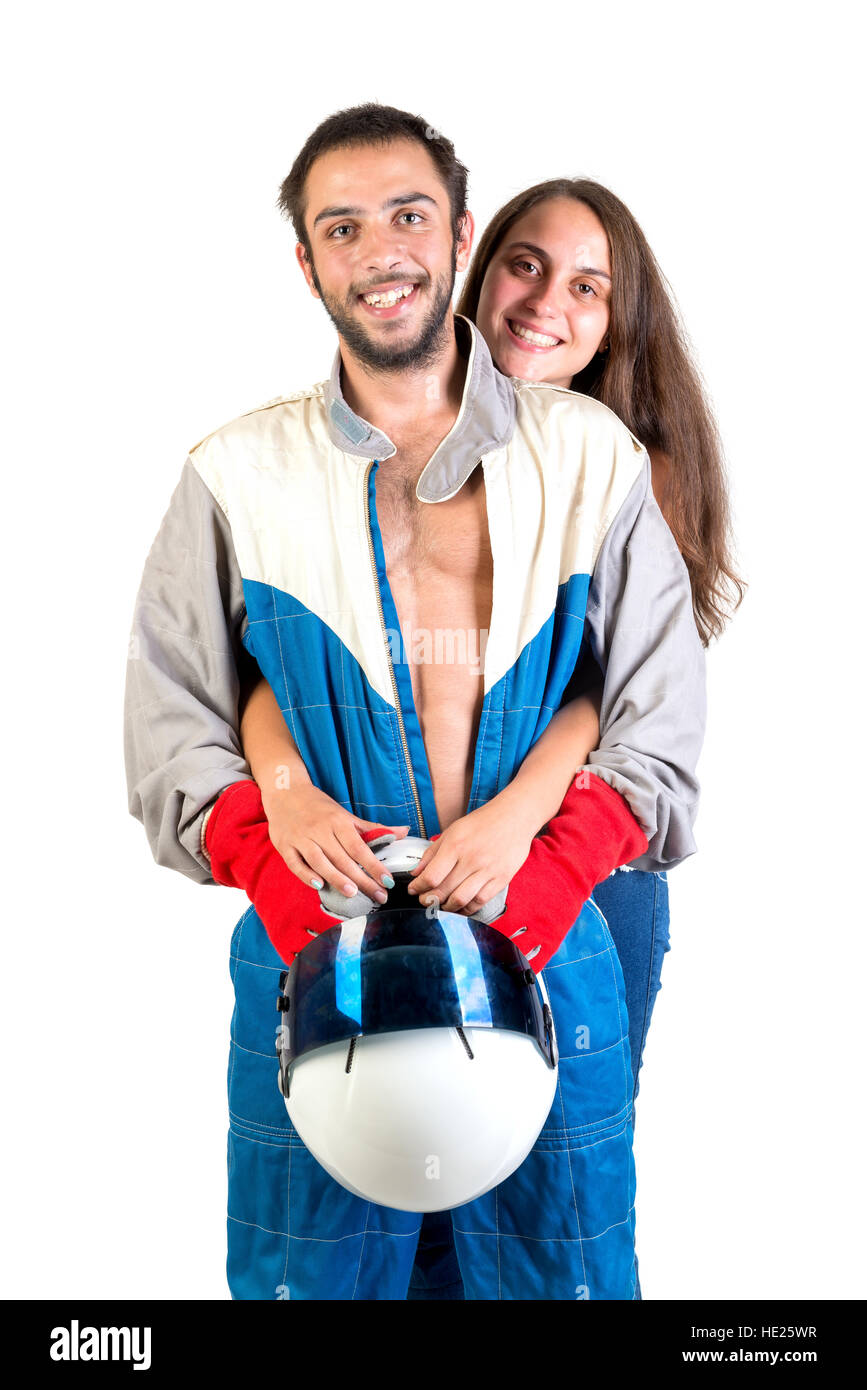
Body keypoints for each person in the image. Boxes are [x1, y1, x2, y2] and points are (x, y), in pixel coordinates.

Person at [124, 104, 706, 1300]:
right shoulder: (235, 474)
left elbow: (656, 718)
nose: (380, 249)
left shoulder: (591, 454)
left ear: (459, 235)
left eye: (408, 215)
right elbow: (176, 720)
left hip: (557, 938)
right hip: (319, 955)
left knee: (559, 1276)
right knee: (313, 1283)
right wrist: (287, 884)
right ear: (308, 263)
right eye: (342, 226)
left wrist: (538, 883)